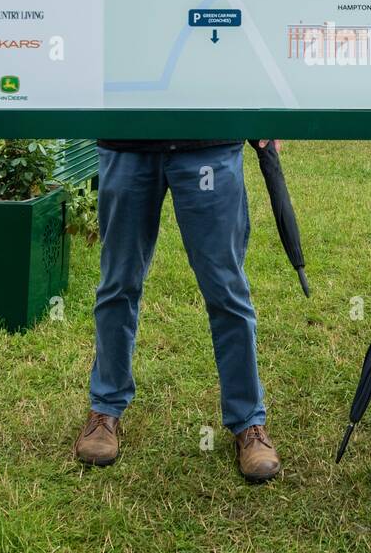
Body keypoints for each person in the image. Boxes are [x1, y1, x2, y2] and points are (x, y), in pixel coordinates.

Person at [73, 137, 281, 483]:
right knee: (118, 285)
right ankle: (105, 409)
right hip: (127, 143)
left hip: (209, 143)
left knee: (226, 291)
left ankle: (249, 422)